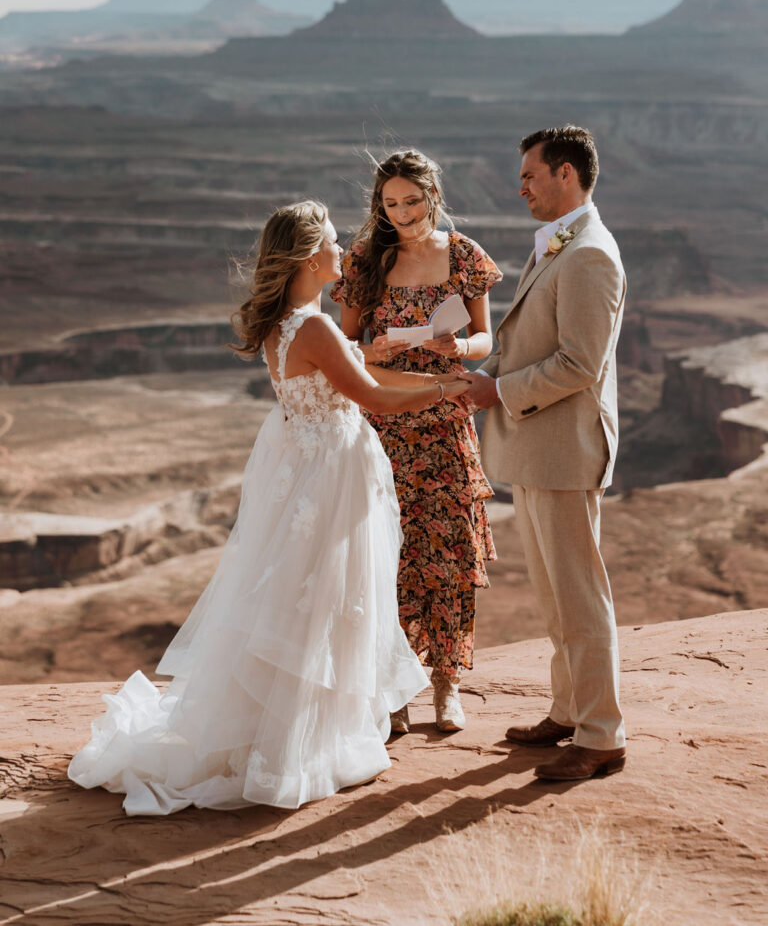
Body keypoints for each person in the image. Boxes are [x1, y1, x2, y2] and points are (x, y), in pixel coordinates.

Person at [68, 200, 470, 815]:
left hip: (306, 469)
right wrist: (456, 393)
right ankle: (304, 743)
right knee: (328, 598)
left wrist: (446, 377)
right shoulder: (316, 328)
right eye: (334, 243)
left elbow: (363, 368)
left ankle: (286, 729)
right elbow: (373, 399)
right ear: (312, 257)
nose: (343, 251)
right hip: (332, 474)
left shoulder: (288, 324)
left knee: (299, 596)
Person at [461, 126, 627, 781]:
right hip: (539, 448)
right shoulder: (562, 243)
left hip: (564, 449)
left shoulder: (590, 254)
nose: (520, 185)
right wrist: (481, 373)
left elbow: (580, 364)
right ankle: (568, 711)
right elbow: (533, 341)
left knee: (580, 594)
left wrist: (497, 390)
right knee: (555, 594)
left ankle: (602, 734)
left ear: (566, 173)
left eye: (530, 174)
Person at [331, 150, 502, 734]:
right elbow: (344, 345)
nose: (401, 213)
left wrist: (461, 350)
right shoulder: (364, 261)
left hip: (446, 419)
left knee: (448, 550)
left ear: (433, 195)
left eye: (410, 200)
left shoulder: (462, 254)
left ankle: (446, 687)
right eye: (389, 203)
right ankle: (393, 692)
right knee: (389, 553)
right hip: (383, 423)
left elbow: (485, 337)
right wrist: (376, 350)